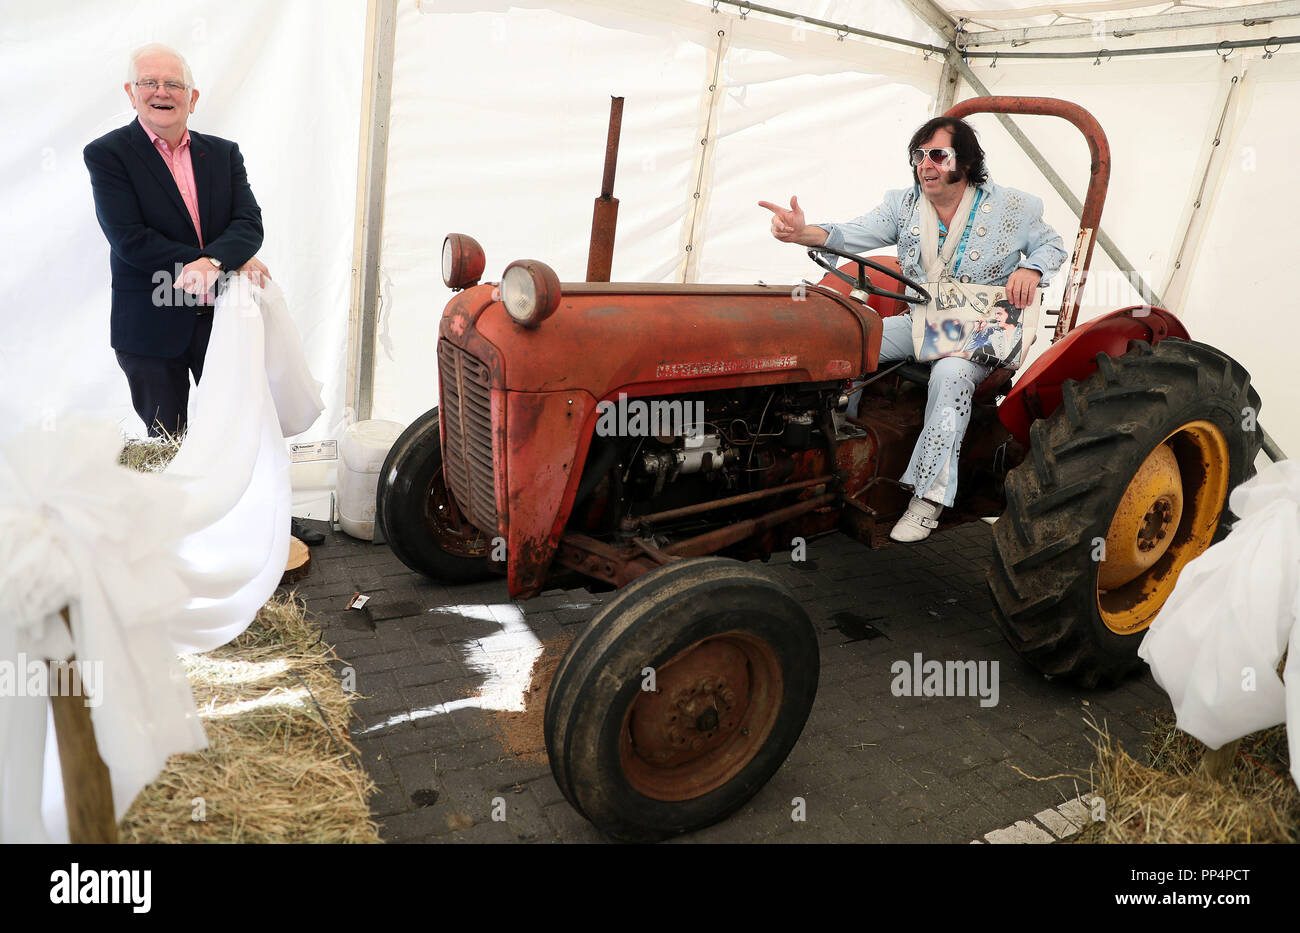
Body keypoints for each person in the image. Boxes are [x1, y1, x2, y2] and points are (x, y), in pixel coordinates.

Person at [760, 116, 1066, 542]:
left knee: (951, 374)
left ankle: (927, 499)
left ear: (966, 161)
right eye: (919, 156)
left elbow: (1052, 245)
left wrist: (1032, 268)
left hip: (981, 329)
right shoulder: (903, 204)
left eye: (937, 155)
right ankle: (830, 444)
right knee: (851, 340)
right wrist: (801, 232)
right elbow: (852, 234)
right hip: (926, 320)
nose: (926, 164)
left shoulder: (1015, 207)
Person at [85, 45, 323, 545]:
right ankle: (186, 541)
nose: (161, 92)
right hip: (149, 324)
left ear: (193, 97)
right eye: (149, 83)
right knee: (170, 442)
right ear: (131, 93)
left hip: (224, 321)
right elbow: (129, 238)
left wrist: (216, 261)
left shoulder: (224, 153)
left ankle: (267, 521)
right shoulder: (107, 155)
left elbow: (248, 222)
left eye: (173, 84)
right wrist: (221, 257)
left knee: (244, 428)